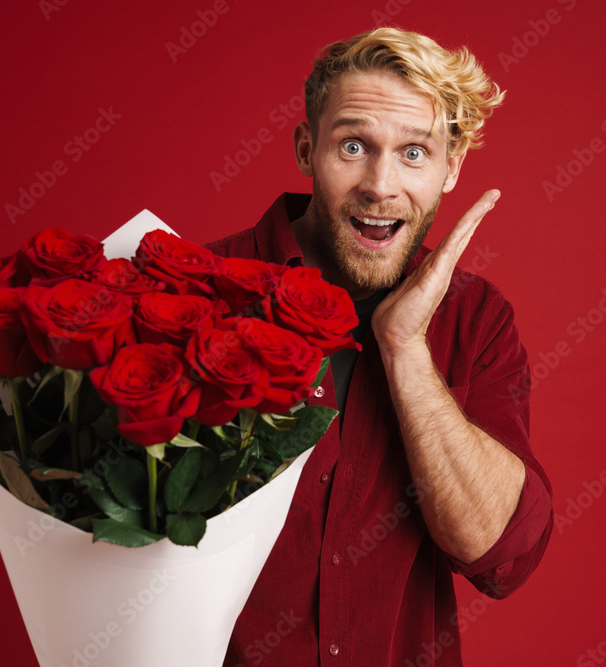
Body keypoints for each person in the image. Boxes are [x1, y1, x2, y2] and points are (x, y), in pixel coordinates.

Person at [207, 27, 553, 667]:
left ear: (452, 168)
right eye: (354, 145)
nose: (381, 185)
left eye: (415, 153)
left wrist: (404, 349)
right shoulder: (195, 290)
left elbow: (499, 557)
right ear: (307, 149)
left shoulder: (476, 319)